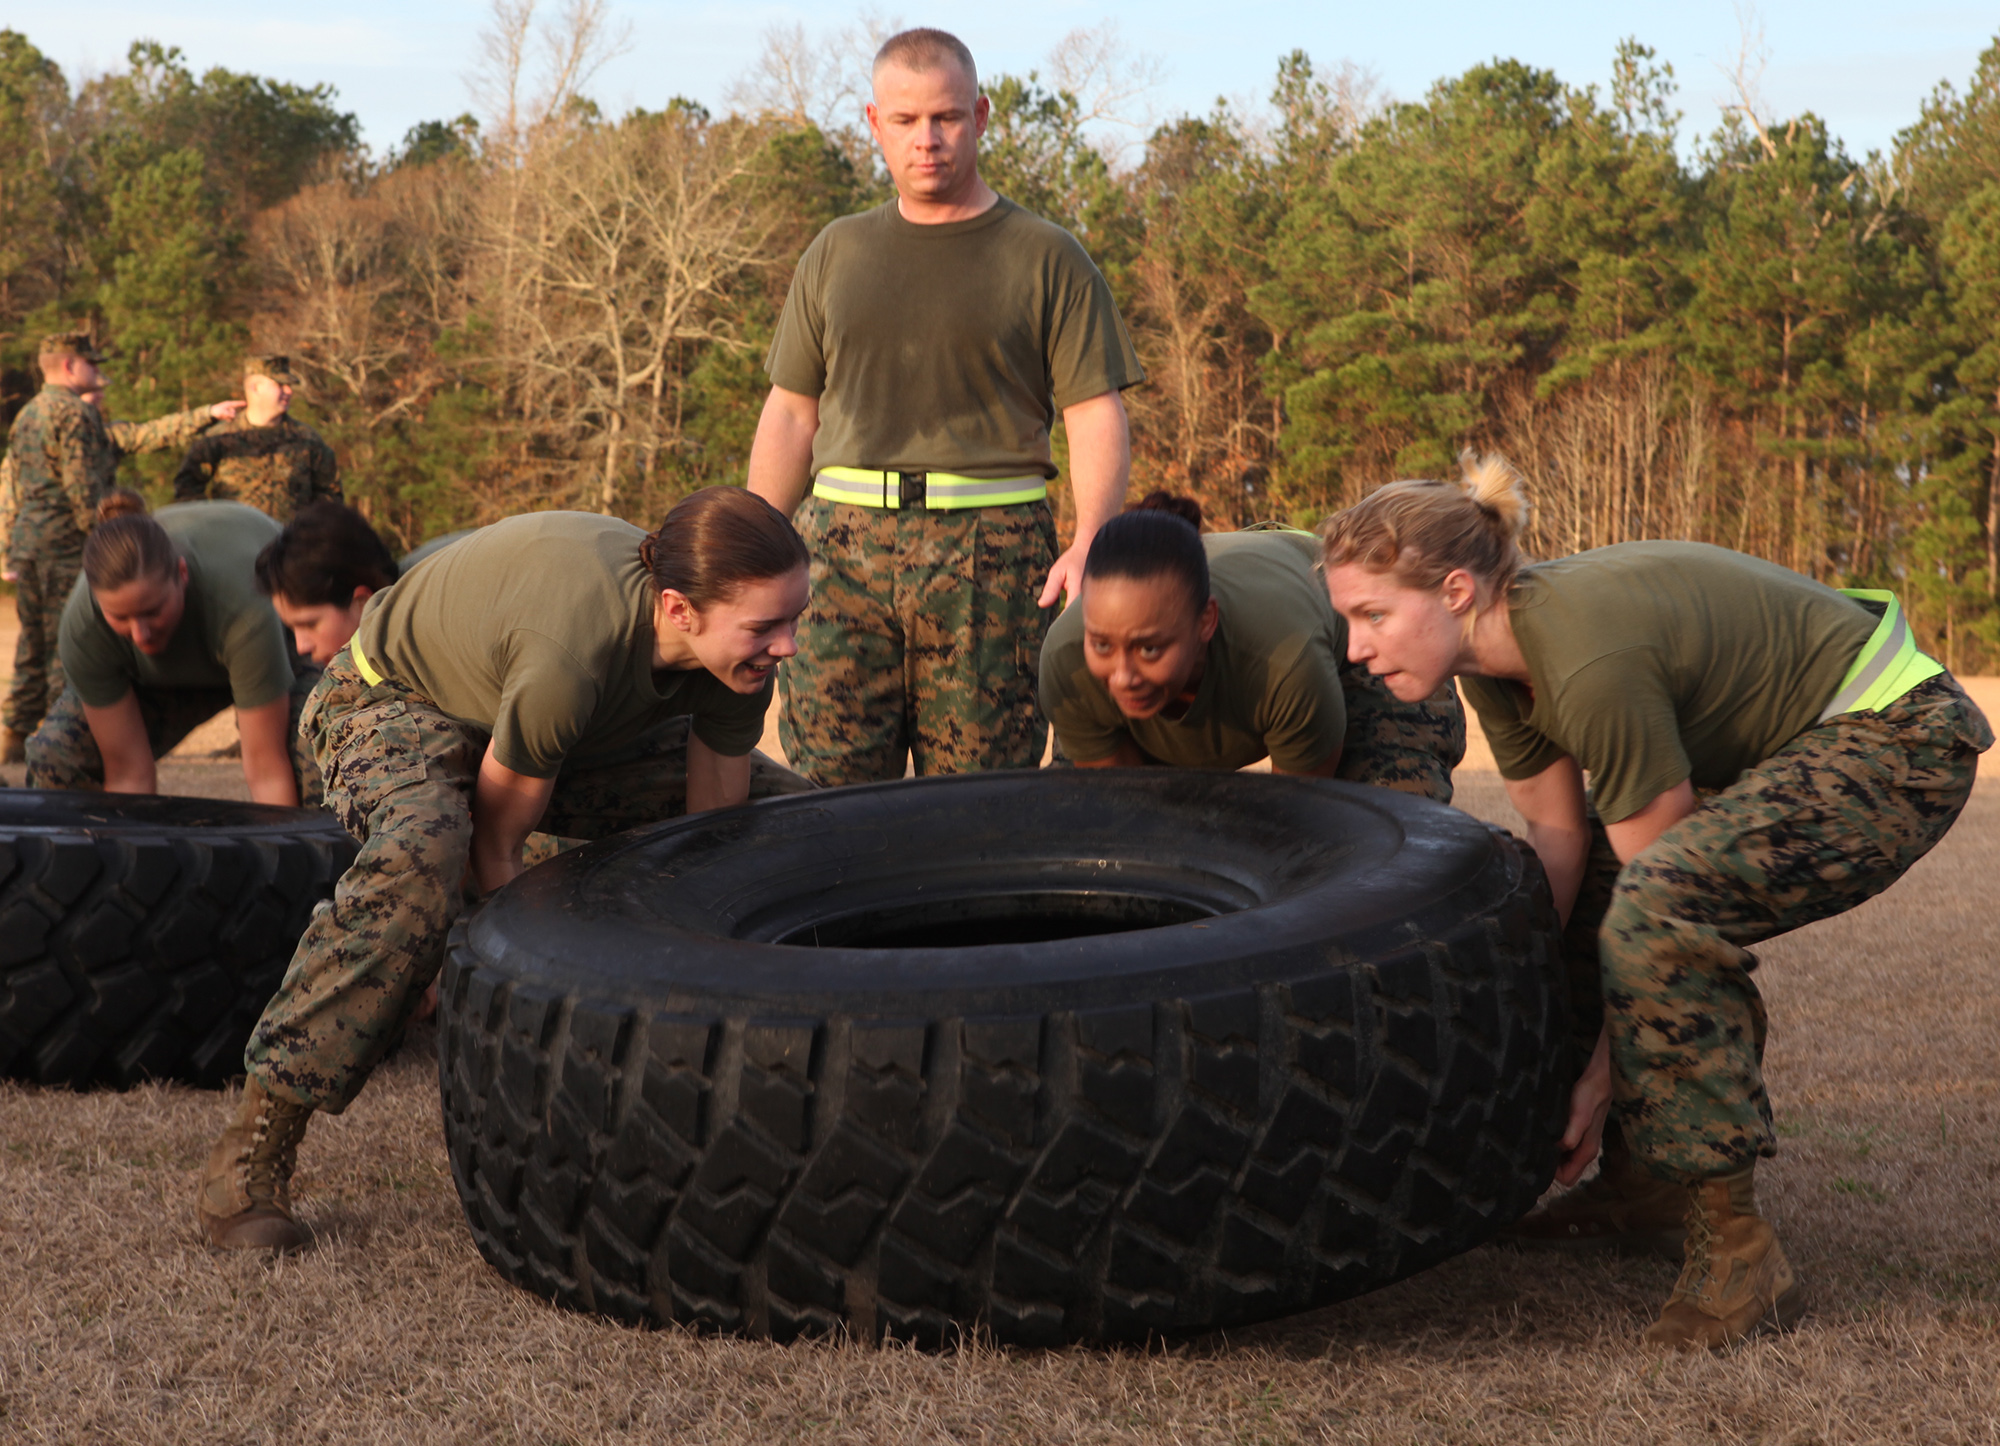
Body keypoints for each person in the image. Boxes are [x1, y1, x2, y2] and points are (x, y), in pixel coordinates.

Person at [1319, 453, 1993, 1351]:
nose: (1357, 650)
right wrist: (1514, 992)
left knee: (1657, 912)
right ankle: (1645, 1191)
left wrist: (1599, 1080)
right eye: (1348, 621)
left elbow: (1657, 904)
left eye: (1372, 617)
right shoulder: (1494, 661)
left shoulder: (1586, 659)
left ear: (1453, 591)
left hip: (1901, 735)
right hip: (1800, 747)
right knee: (1582, 886)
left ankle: (1738, 1246)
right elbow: (1561, 843)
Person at [196, 488, 817, 1252]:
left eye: (794, 619)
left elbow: (710, 832)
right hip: (394, 700)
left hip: (536, 716)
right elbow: (496, 847)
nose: (787, 646)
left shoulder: (738, 662)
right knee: (421, 860)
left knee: (793, 821)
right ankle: (252, 1153)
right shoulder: (575, 643)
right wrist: (535, 997)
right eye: (765, 626)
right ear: (679, 610)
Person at [747, 26, 1144, 786]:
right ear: (873, 123)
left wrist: (1093, 537)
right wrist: (755, 543)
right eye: (904, 121)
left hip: (993, 554)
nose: (926, 140)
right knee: (830, 791)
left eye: (947, 118)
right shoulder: (836, 251)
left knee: (981, 798)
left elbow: (1092, 410)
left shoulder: (1047, 254)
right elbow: (793, 410)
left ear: (982, 117)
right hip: (840, 551)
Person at [1039, 493, 1464, 798]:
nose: (1123, 675)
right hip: (1253, 596)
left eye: (1149, 650)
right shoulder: (1067, 662)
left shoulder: (1285, 662)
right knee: (1082, 824)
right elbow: (1127, 809)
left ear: (1206, 621)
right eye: (1103, 646)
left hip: (1348, 645)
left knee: (1385, 825)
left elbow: (1296, 816)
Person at [2, 334, 241, 759]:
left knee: (31, 644)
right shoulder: (75, 414)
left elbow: (11, 483)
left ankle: (13, 734)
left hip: (30, 542)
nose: (99, 376)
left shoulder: (26, 416)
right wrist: (106, 544)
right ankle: (64, 731)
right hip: (68, 544)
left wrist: (7, 542)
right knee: (69, 641)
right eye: (92, 365)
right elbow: (83, 487)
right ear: (71, 367)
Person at [25, 493, 323, 806]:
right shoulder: (84, 629)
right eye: (121, 618)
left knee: (319, 748)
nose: (140, 634)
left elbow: (267, 771)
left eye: (152, 611)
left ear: (182, 575)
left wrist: (279, 851)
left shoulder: (241, 610)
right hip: (162, 675)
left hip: (279, 640)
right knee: (54, 757)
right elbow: (129, 774)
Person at [173, 354, 340, 519]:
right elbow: (187, 490)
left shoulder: (307, 439)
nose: (288, 391)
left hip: (291, 543)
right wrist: (211, 524)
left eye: (289, 386)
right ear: (255, 387)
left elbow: (330, 499)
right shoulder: (220, 438)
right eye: (280, 385)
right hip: (236, 541)